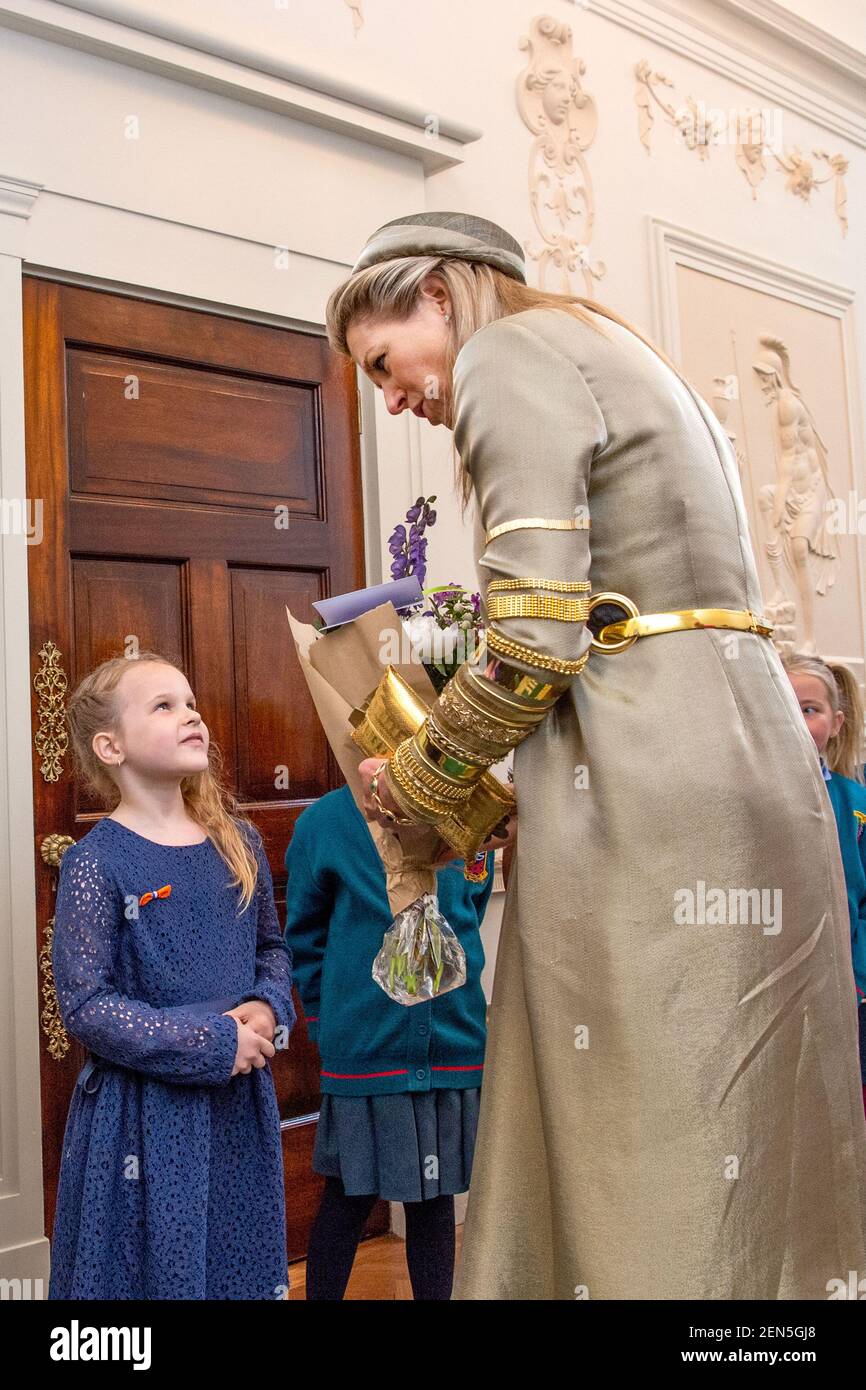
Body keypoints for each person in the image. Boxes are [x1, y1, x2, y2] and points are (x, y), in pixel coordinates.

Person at [324, 210, 866, 1298]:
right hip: (744, 748)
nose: (392, 397)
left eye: (383, 362)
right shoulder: (616, 348)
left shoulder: (503, 355)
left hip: (643, 773)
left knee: (641, 1105)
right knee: (748, 1097)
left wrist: (424, 783)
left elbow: (532, 636)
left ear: (435, 290)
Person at [48, 651, 295, 1300]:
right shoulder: (95, 864)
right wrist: (215, 1042)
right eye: (164, 706)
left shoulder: (238, 842)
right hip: (145, 1117)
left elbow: (271, 947)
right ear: (111, 745)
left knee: (235, 1267)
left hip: (238, 1107)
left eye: (190, 703)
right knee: (157, 1278)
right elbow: (88, 1007)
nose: (191, 716)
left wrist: (268, 1010)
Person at [284, 782, 493, 1299]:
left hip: (451, 1046)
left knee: (434, 1198)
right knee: (348, 1195)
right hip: (364, 1050)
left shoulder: (472, 816)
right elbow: (304, 938)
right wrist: (325, 1022)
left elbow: (471, 909)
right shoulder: (324, 824)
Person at [784, 653, 866, 1115]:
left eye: (809, 710)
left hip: (848, 989)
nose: (794, 721)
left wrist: (859, 976)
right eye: (783, 705)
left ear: (836, 723)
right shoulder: (745, 799)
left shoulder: (856, 804)